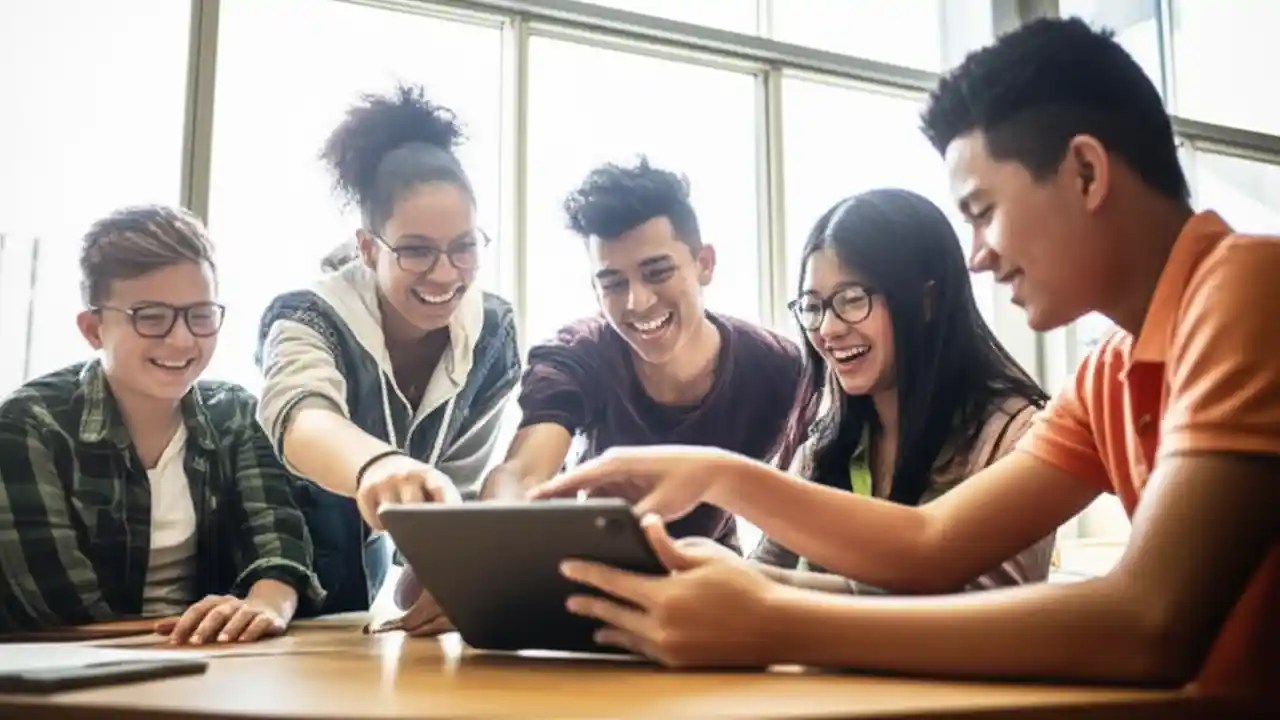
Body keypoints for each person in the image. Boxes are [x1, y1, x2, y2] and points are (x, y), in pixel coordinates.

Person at [532, 18, 1279, 699]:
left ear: (1086, 172)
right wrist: (718, 474)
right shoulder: (1107, 374)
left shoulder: (1249, 286)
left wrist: (778, 620)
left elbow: (1149, 623)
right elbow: (932, 543)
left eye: (984, 212)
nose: (980, 258)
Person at [0, 205, 323, 644]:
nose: (182, 339)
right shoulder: (29, 425)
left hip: (207, 662)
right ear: (94, 329)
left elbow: (278, 543)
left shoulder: (235, 414)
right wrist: (196, 631)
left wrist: (264, 606)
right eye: (151, 317)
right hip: (58, 681)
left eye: (201, 314)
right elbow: (61, 612)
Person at [255, 84, 521, 617]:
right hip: (274, 567)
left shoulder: (492, 333)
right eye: (417, 250)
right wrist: (379, 464)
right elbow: (300, 415)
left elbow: (459, 479)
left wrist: (448, 566)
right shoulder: (308, 314)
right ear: (369, 247)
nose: (445, 274)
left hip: (367, 590)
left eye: (464, 246)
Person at [481, 157, 802, 551]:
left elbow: (804, 505)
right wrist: (494, 534)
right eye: (613, 283)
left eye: (657, 272)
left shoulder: (777, 368)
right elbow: (523, 470)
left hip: (709, 574)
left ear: (704, 264)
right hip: (587, 570)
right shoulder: (578, 352)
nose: (638, 302)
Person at [750, 188, 1052, 593]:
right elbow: (761, 567)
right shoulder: (826, 446)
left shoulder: (1015, 437)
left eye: (852, 299)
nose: (827, 329)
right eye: (812, 306)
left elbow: (985, 607)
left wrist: (772, 589)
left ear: (926, 301)